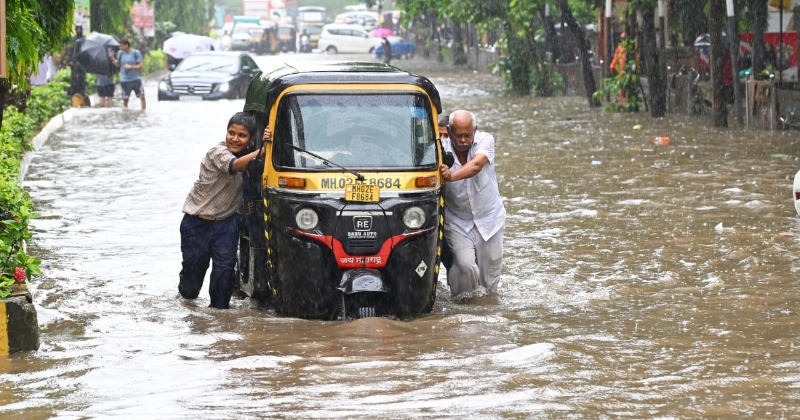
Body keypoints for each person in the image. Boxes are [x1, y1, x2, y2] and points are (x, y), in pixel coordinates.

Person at [179, 112, 266, 309]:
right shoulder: (217, 153)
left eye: (242, 136)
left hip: (227, 223)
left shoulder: (249, 156)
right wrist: (262, 150)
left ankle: (220, 317)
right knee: (192, 282)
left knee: (224, 271)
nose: (235, 139)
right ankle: (186, 305)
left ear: (251, 139)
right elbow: (235, 166)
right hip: (197, 222)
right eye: (231, 133)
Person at [439, 110, 506, 296]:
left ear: (474, 131)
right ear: (450, 131)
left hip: (489, 217)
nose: (462, 140)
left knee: (490, 278)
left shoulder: (485, 140)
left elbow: (476, 165)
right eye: (458, 135)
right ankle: (462, 304)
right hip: (458, 220)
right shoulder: (440, 149)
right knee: (465, 265)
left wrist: (451, 176)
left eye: (467, 135)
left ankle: (487, 311)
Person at [111, 39, 146, 110]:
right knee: (125, 100)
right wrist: (112, 59)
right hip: (124, 80)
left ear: (126, 45)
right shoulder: (120, 53)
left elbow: (141, 65)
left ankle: (143, 111)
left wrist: (131, 67)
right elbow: (118, 65)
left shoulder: (135, 53)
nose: (120, 48)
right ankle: (126, 114)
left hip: (136, 79)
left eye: (121, 46)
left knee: (142, 97)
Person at [69, 25, 87, 102]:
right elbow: (71, 50)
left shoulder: (84, 39)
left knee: (82, 78)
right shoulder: (73, 39)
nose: (79, 30)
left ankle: (82, 92)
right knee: (74, 78)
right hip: (74, 61)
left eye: (80, 29)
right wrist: (71, 60)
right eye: (77, 29)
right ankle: (74, 92)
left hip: (82, 61)